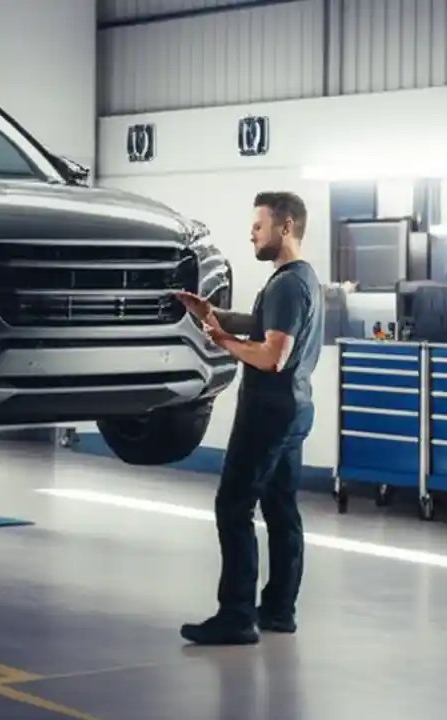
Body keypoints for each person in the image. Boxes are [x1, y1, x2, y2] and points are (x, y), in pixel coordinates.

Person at [173, 191, 323, 645]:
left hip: (268, 412)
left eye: (259, 226)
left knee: (234, 506)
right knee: (281, 509)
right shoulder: (302, 279)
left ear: (286, 227)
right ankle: (278, 610)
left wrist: (221, 341)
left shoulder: (286, 285)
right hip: (294, 409)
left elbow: (272, 356)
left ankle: (236, 615)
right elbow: (264, 325)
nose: (252, 234)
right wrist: (212, 313)